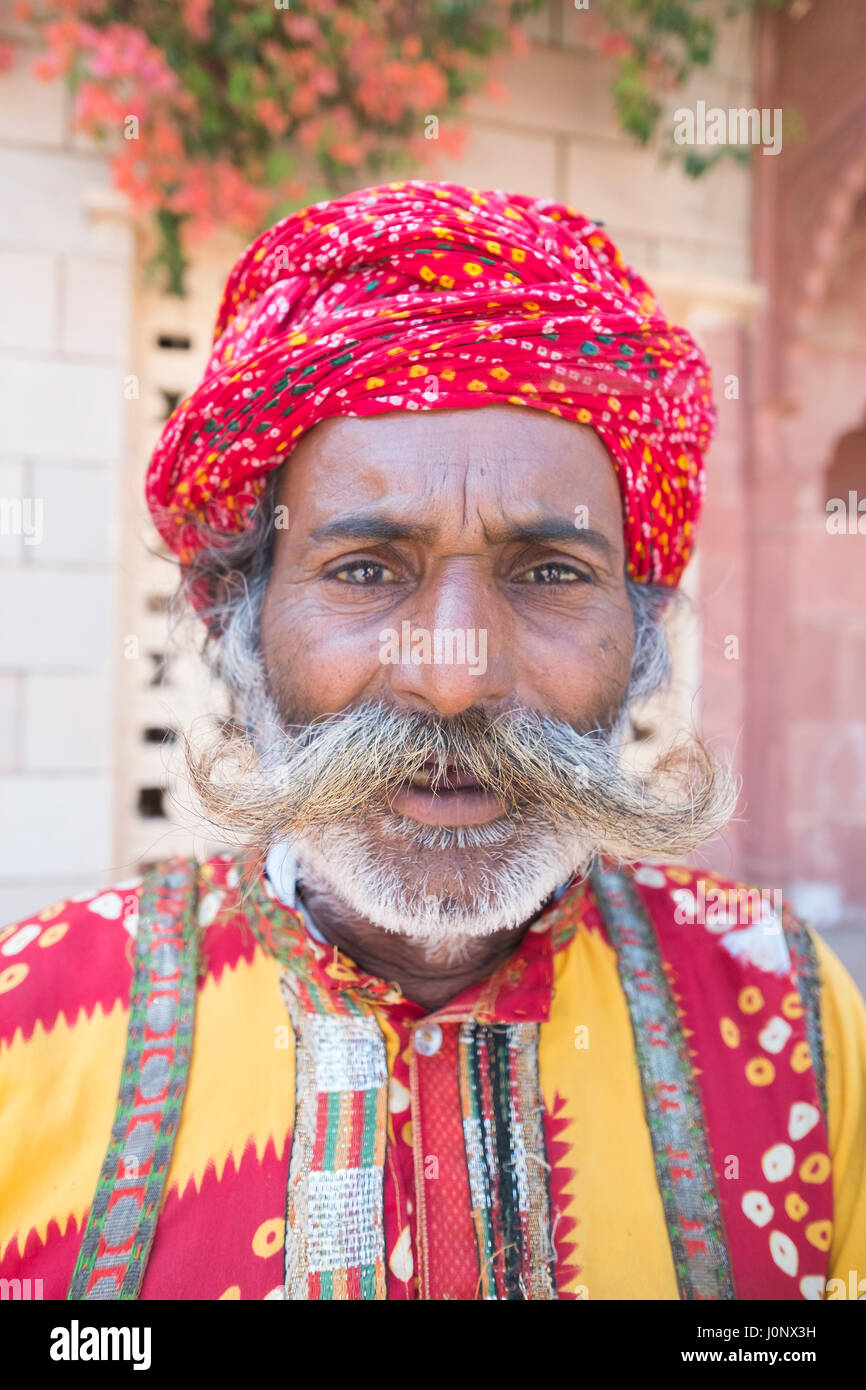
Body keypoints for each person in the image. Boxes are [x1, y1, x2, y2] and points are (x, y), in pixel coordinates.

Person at [1, 180, 864, 1302]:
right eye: (365, 570)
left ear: (642, 634)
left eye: (549, 573)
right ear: (235, 617)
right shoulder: (30, 1031)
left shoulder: (785, 1005)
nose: (455, 677)